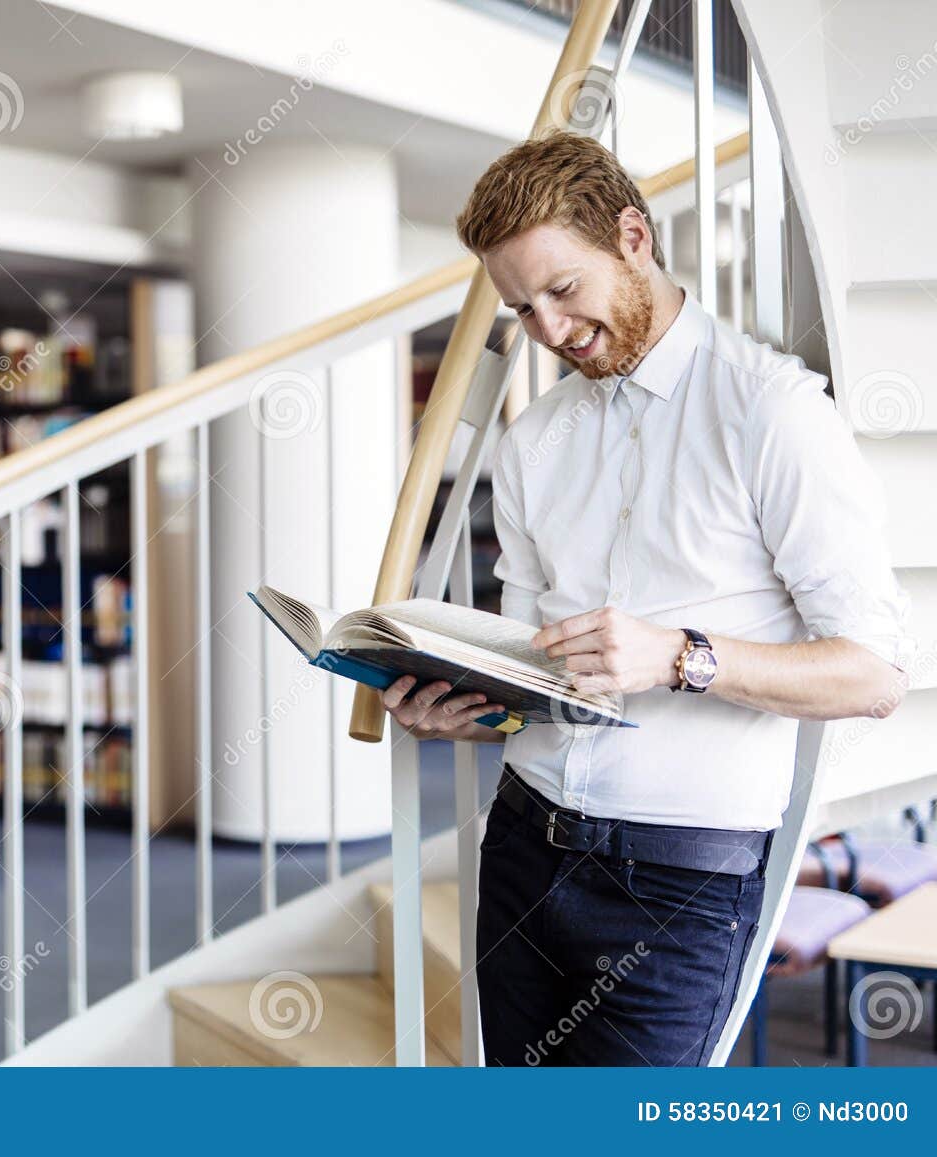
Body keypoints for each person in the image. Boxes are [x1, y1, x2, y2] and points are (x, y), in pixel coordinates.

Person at [382, 131, 910, 1066]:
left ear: (633, 236)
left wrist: (680, 655)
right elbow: (539, 661)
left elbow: (873, 673)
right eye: (521, 308)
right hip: (521, 846)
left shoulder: (773, 412)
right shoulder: (532, 442)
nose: (546, 330)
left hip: (677, 883)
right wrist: (468, 705)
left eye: (563, 289)